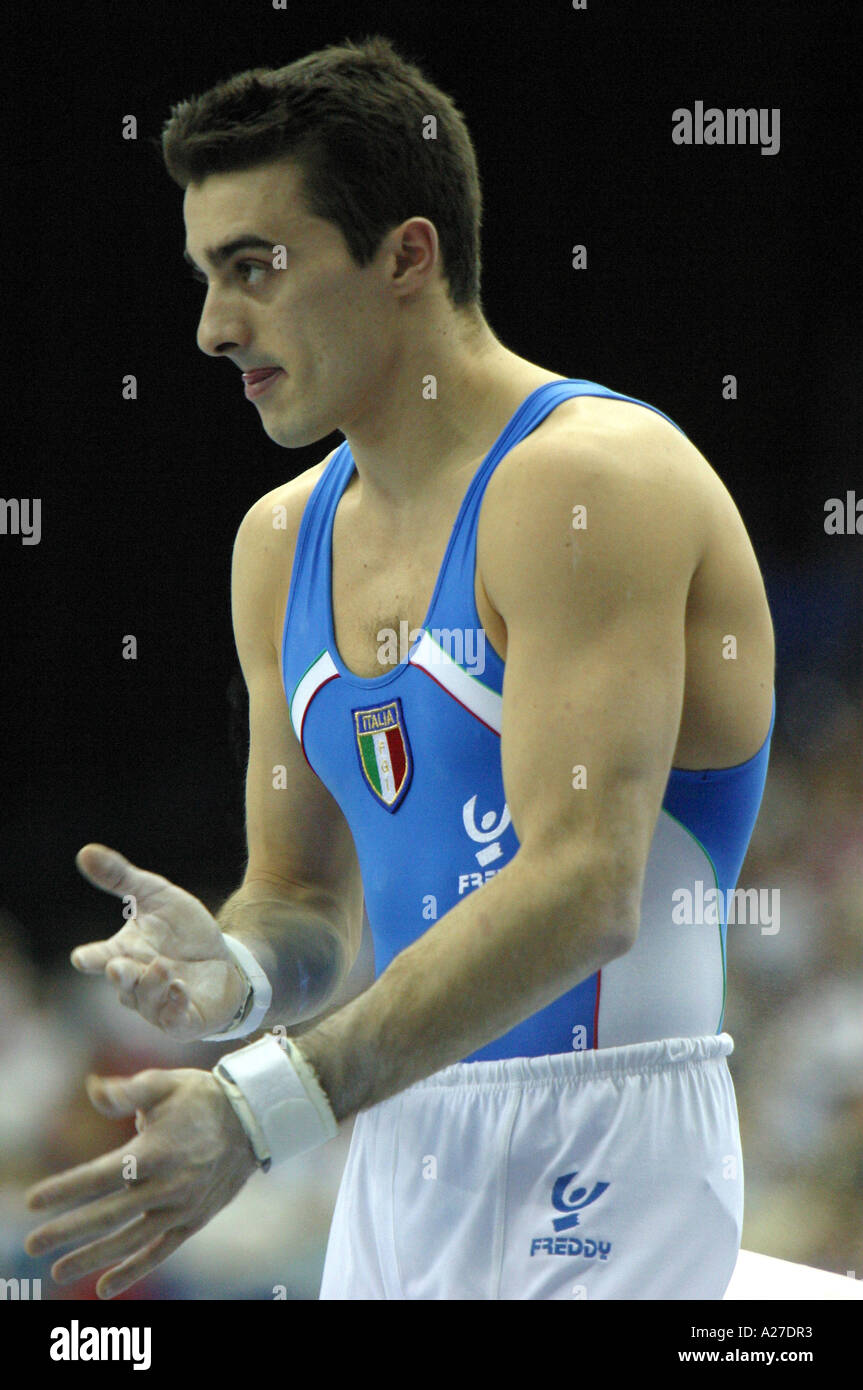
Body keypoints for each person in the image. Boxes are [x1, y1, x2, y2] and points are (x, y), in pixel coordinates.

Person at [25, 36, 777, 1301]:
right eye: (206, 276)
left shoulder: (587, 483)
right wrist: (245, 970)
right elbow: (305, 898)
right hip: (397, 1135)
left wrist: (265, 1104)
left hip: (609, 1142)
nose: (213, 327)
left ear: (407, 257)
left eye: (254, 267)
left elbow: (586, 891)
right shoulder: (276, 543)